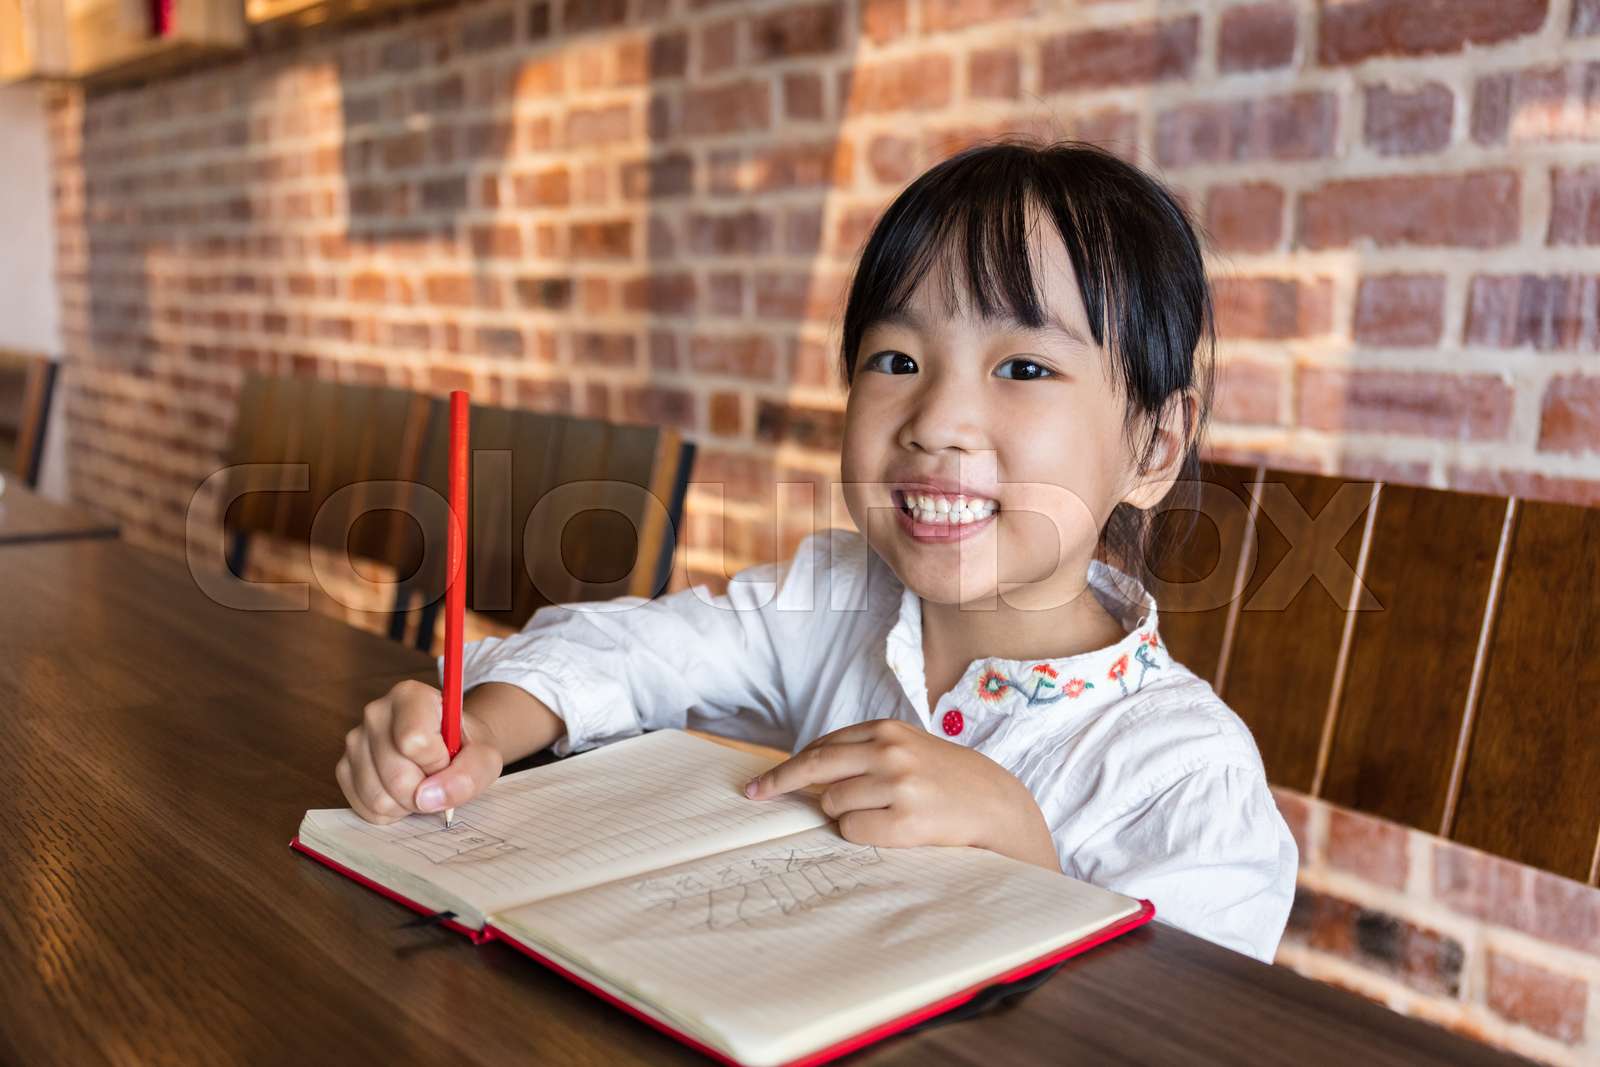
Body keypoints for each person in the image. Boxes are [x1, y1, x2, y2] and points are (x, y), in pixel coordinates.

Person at [335, 140, 1297, 962]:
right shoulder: (839, 595)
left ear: (1154, 448)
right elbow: (633, 649)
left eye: (1025, 366)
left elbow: (1185, 1022)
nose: (938, 420)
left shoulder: (1184, 774)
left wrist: (1024, 853)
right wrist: (482, 731)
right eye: (896, 360)